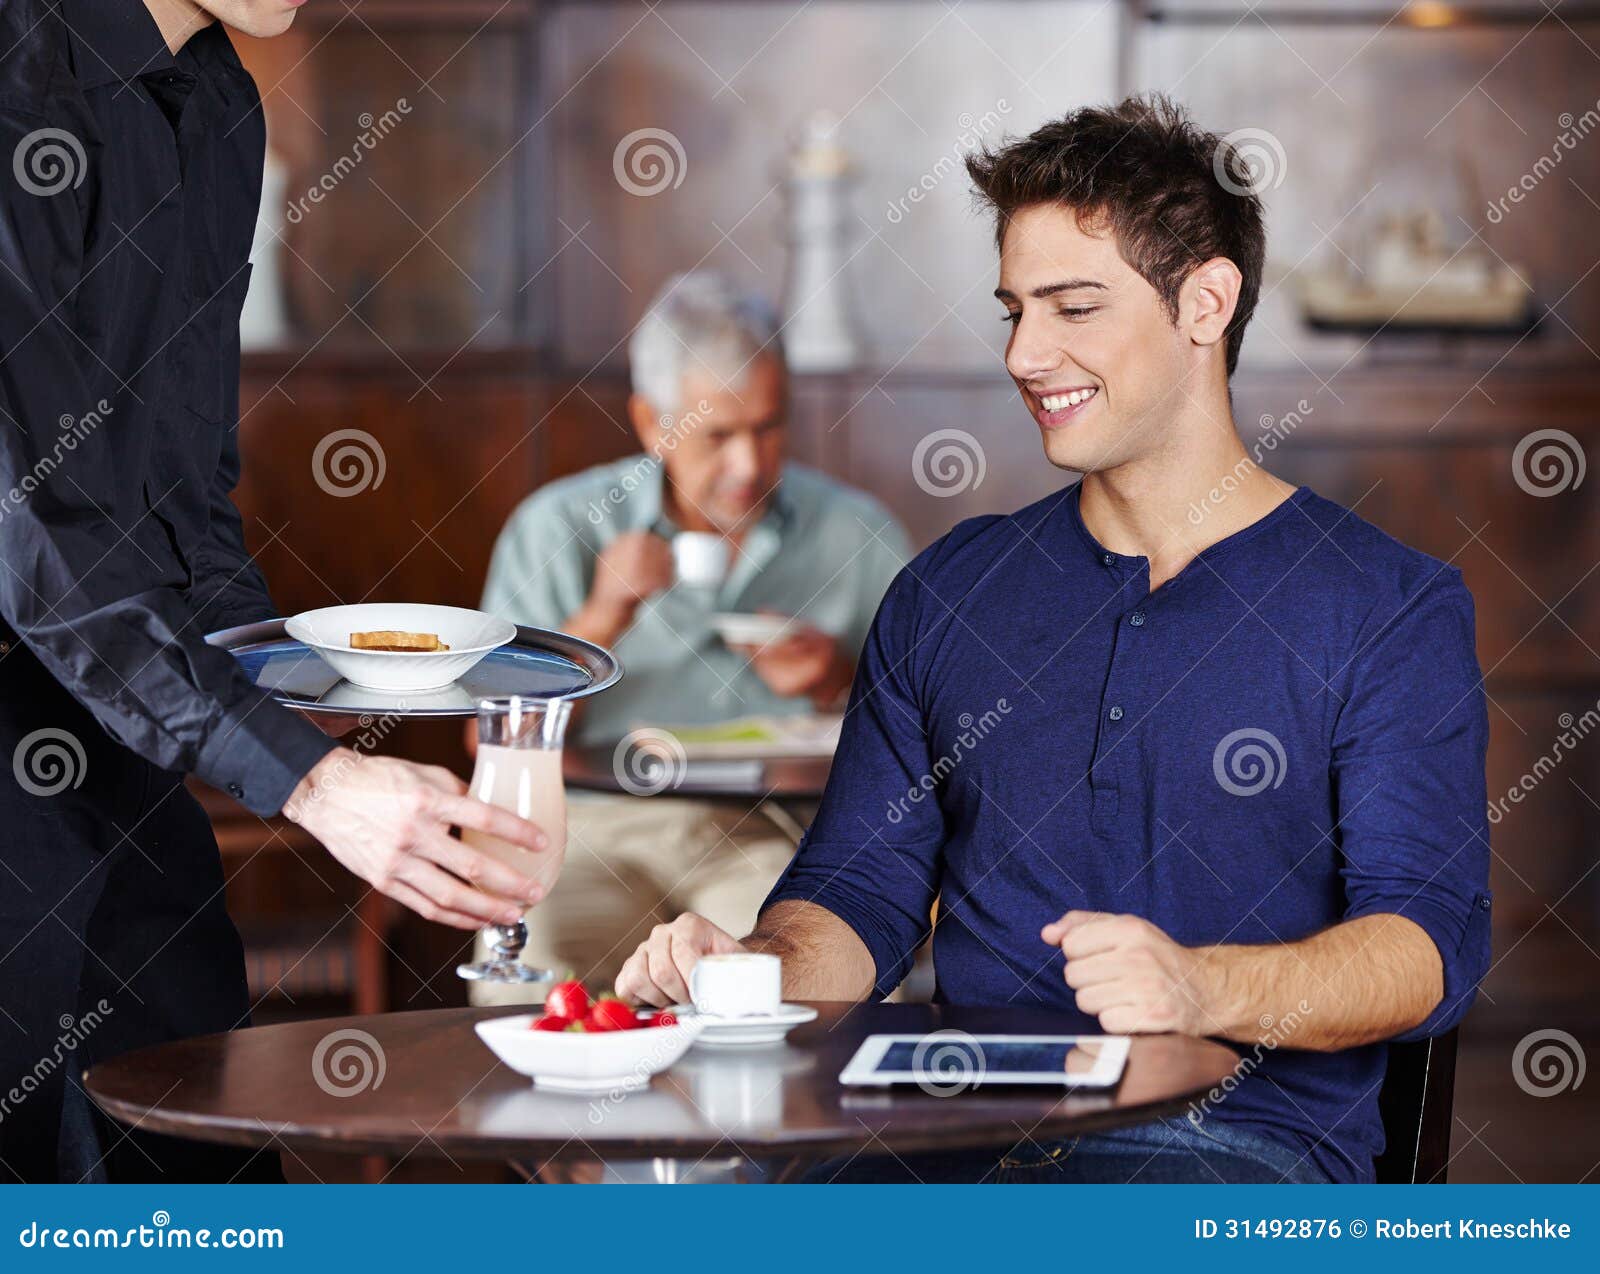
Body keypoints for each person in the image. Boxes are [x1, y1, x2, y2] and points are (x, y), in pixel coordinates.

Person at [614, 96, 1492, 1184]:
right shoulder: (947, 591)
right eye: (1013, 311)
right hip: (945, 1129)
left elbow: (1425, 945)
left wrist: (1202, 988)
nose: (1027, 354)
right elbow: (858, 888)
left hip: (1228, 1146)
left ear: (1205, 303)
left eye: (1073, 307)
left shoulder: (1384, 605)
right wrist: (753, 968)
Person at [0, 0, 552, 1184]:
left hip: (125, 741)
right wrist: (312, 779)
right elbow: (30, 531)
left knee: (203, 1170)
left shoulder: (220, 105)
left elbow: (187, 491)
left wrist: (308, 686)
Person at [472, 272, 911, 1001]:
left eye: (769, 428)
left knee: (825, 982)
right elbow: (491, 741)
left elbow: (933, 731)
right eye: (718, 435)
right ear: (652, 423)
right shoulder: (559, 527)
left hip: (769, 836)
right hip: (589, 832)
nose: (749, 465)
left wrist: (836, 679)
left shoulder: (856, 534)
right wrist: (601, 619)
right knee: (527, 984)